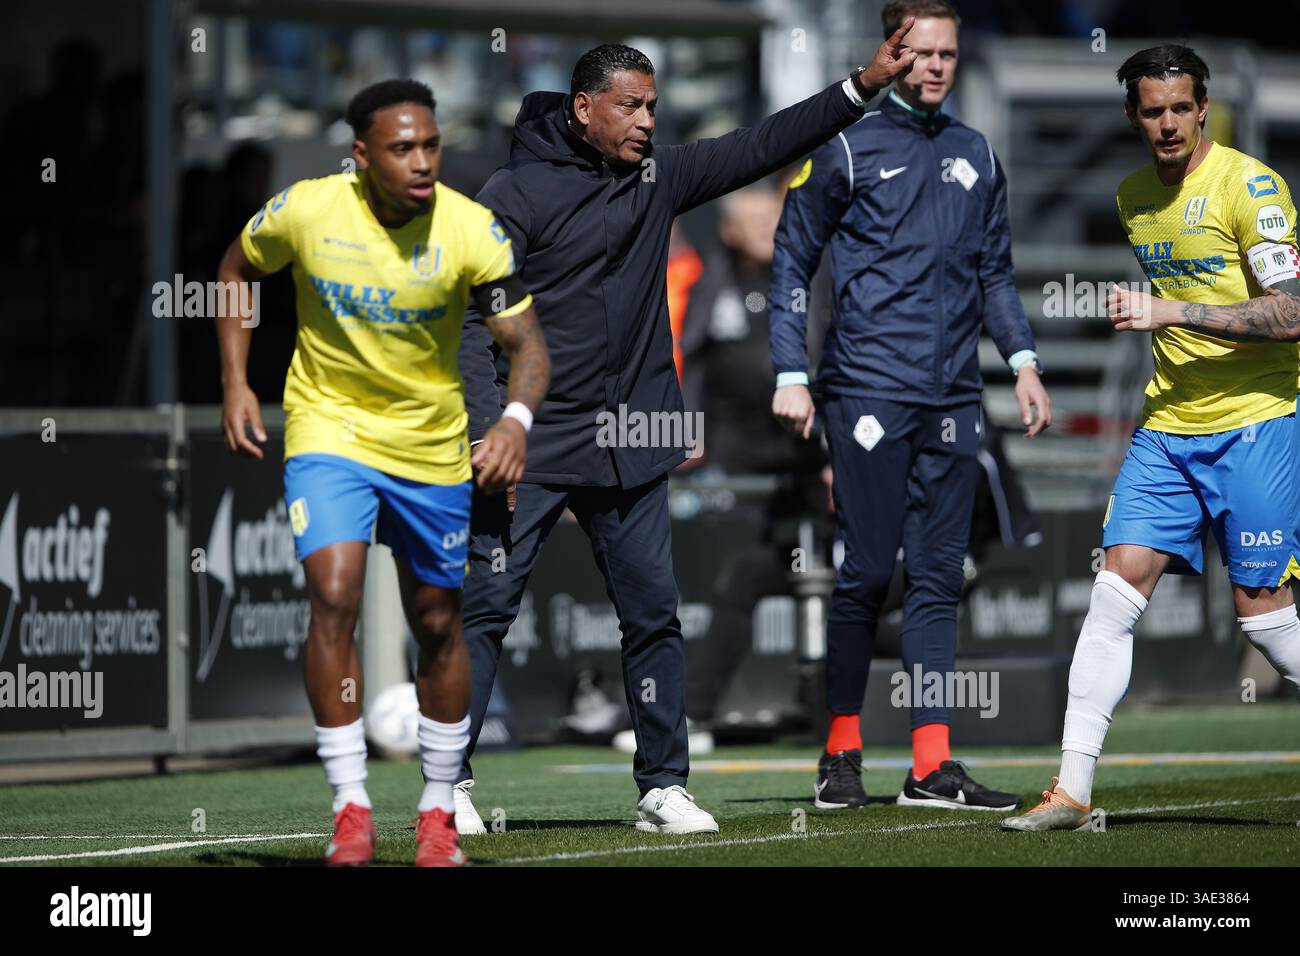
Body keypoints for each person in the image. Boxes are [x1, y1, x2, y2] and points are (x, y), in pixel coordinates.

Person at [453, 31, 921, 836]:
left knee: (654, 616)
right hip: (531, 437)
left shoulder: (659, 177)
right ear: (583, 107)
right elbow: (472, 318)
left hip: (633, 436)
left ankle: (663, 786)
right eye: (630, 106)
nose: (645, 121)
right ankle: (447, 782)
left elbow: (762, 143)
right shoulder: (511, 193)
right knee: (487, 604)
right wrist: (489, 425)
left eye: (653, 107)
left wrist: (862, 85)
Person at [214, 79, 550, 864]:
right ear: (361, 156)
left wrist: (513, 422)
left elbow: (528, 346)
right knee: (332, 594)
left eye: (430, 144)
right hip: (328, 432)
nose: (423, 161)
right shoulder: (306, 209)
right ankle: (351, 806)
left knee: (437, 621)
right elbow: (232, 272)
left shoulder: (470, 230)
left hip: (431, 446)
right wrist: (235, 382)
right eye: (403, 148)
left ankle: (437, 811)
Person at [1005, 45, 1300, 831]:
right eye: (1151, 110)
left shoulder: (1252, 186)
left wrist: (1170, 311)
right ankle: (1070, 793)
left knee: (1263, 618)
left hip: (1255, 423)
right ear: (1132, 115)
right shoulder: (1133, 195)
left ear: (1203, 107)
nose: (1166, 123)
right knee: (1112, 596)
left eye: (1179, 108)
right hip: (1168, 428)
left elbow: (1291, 313)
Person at [769, 0, 1050, 812]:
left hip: (956, 397)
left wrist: (1024, 362)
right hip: (865, 390)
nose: (934, 67)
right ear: (889, 53)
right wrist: (791, 370)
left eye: (947, 55)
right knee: (865, 571)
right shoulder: (846, 147)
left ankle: (931, 766)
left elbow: (995, 273)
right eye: (918, 52)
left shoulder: (977, 152)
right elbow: (790, 261)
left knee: (938, 579)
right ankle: (840, 755)